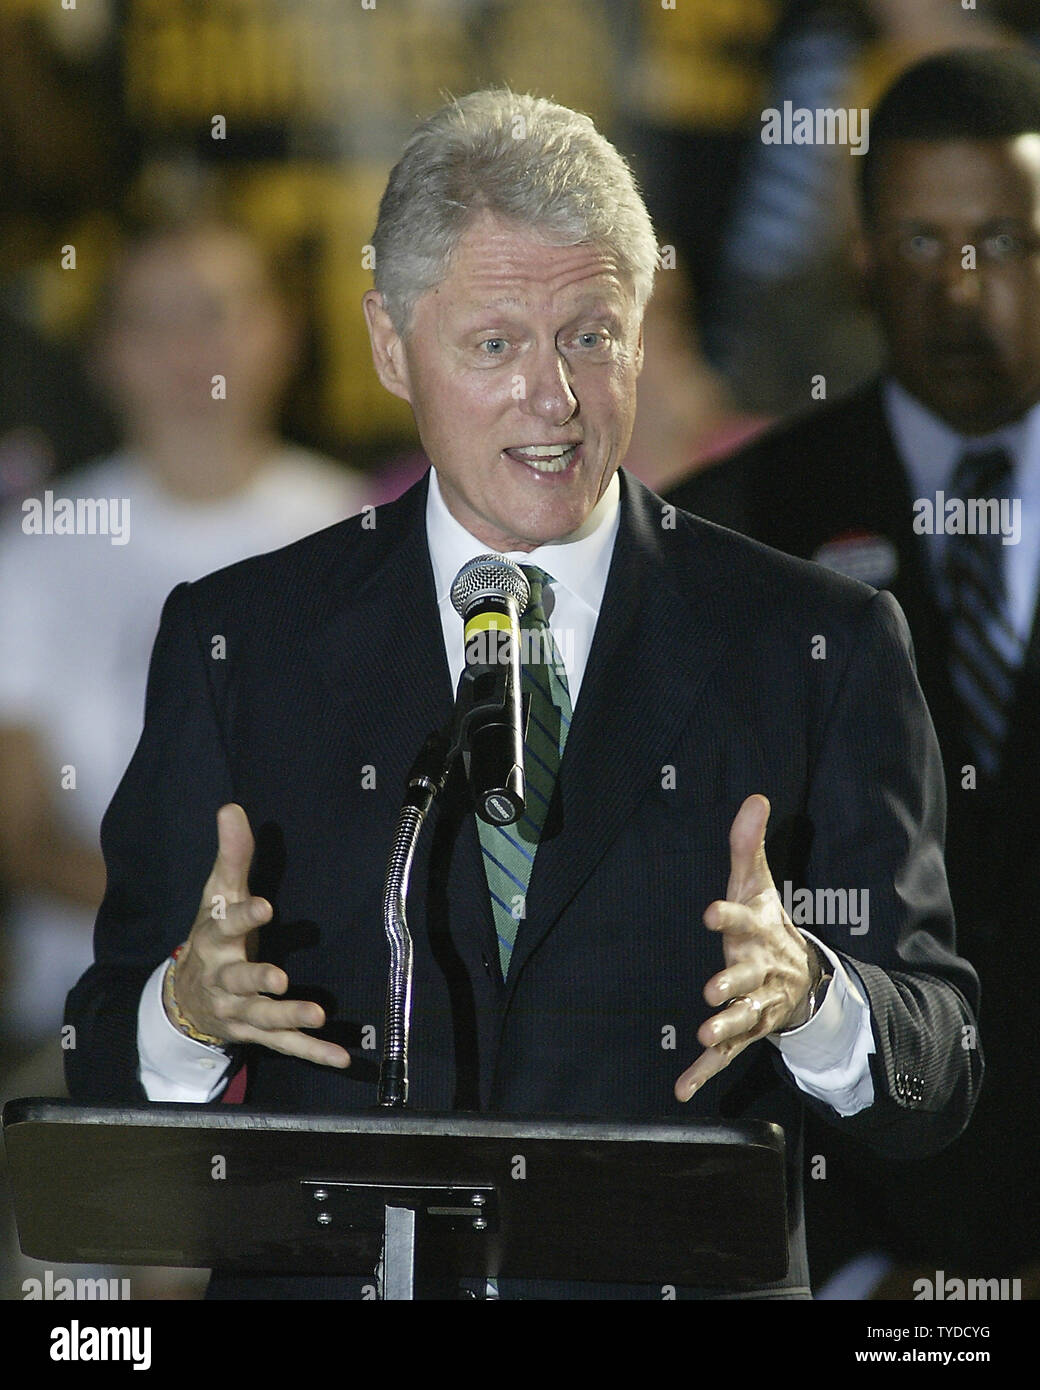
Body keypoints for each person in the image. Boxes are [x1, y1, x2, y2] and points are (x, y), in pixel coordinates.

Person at [65, 90, 980, 1300]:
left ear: (643, 336)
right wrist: (183, 1014)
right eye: (495, 344)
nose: (552, 399)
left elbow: (943, 1065)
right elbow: (95, 1051)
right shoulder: (241, 640)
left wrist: (816, 999)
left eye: (591, 336)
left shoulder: (816, 641)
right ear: (390, 345)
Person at [669, 47, 1040, 1293]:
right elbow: (694, 929)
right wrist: (837, 1265)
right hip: (841, 1246)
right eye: (921, 246)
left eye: (1000, 242)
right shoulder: (737, 524)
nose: (960, 294)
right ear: (861, 256)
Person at [0, 217, 369, 1056]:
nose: (189, 348)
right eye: (151, 318)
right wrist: (197, 938)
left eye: (217, 309)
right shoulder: (38, 548)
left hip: (323, 1013)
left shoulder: (364, 529)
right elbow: (17, 835)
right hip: (86, 1019)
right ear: (104, 353)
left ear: (285, 331)